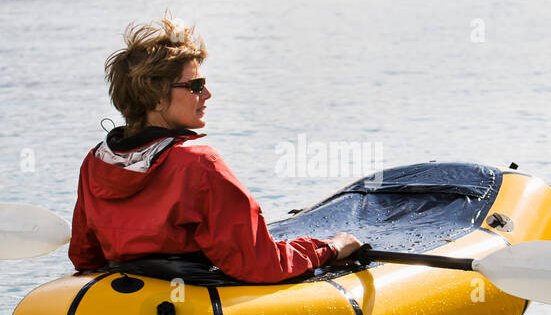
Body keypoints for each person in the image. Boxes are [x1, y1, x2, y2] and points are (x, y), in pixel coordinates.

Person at [69, 15, 363, 281]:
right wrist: (330, 248)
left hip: (123, 308)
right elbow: (260, 264)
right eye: (195, 86)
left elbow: (85, 257)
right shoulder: (199, 164)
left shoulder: (96, 162)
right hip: (196, 312)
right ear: (156, 99)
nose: (207, 94)